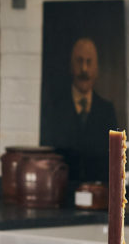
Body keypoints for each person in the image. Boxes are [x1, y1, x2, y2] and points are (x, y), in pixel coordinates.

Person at [41, 36, 118, 189]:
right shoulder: (53, 109)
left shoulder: (107, 111)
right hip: (61, 195)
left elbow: (113, 162)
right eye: (79, 61)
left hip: (98, 198)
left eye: (89, 62)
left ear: (96, 69)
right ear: (71, 66)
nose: (84, 69)